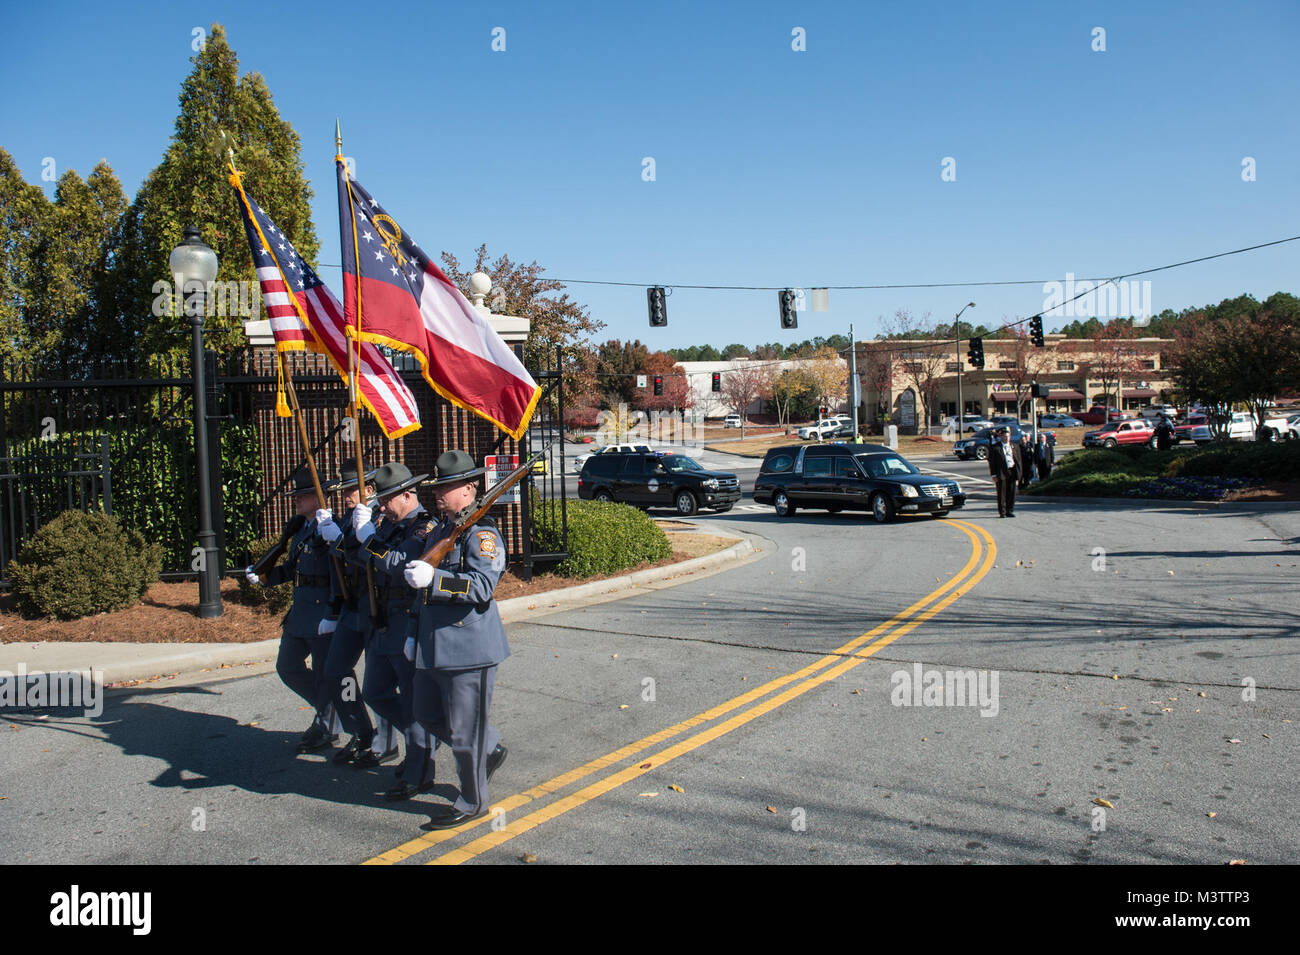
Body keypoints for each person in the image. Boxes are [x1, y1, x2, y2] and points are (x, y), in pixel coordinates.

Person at [404, 450, 509, 829]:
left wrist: (435, 580)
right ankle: (489, 746)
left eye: (446, 487)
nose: (438, 493)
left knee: (464, 734)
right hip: (433, 644)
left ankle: (472, 801)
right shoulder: (440, 529)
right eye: (437, 487)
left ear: (469, 489)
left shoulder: (481, 534)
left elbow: (482, 587)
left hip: (469, 648)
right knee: (425, 714)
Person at [345, 461, 439, 800]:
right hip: (380, 617)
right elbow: (357, 558)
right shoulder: (385, 523)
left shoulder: (425, 527)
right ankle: (426, 741)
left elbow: (400, 564)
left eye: (387, 500)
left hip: (405, 617)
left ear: (408, 494)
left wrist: (369, 540)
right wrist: (356, 532)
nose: (382, 506)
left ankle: (419, 770)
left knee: (413, 704)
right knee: (375, 691)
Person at [246, 466, 340, 753]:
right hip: (300, 611)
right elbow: (292, 569)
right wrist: (265, 577)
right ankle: (329, 709)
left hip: (323, 609)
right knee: (287, 666)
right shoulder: (298, 529)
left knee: (327, 672)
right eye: (296, 496)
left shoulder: (331, 528)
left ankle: (327, 722)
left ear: (319, 497)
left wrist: (334, 612)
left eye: (302, 496)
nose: (296, 501)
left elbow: (341, 573)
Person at [317, 464, 381, 766]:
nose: (344, 497)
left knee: (380, 682)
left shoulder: (381, 517)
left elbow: (372, 557)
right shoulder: (346, 518)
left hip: (377, 607)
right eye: (342, 491)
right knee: (335, 670)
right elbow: (336, 567)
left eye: (350, 490)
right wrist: (332, 608)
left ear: (369, 491)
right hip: (352, 607)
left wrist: (341, 542)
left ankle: (385, 743)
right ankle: (360, 730)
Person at [988, 427, 1019, 517]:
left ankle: (1010, 510)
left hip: (1012, 470)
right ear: (1001, 437)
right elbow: (992, 462)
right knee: (1002, 493)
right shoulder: (995, 448)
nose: (1006, 438)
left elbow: (1018, 460)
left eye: (1008, 436)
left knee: (1011, 492)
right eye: (1005, 436)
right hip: (1001, 472)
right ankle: (1002, 511)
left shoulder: (1014, 446)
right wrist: (994, 474)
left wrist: (1019, 473)